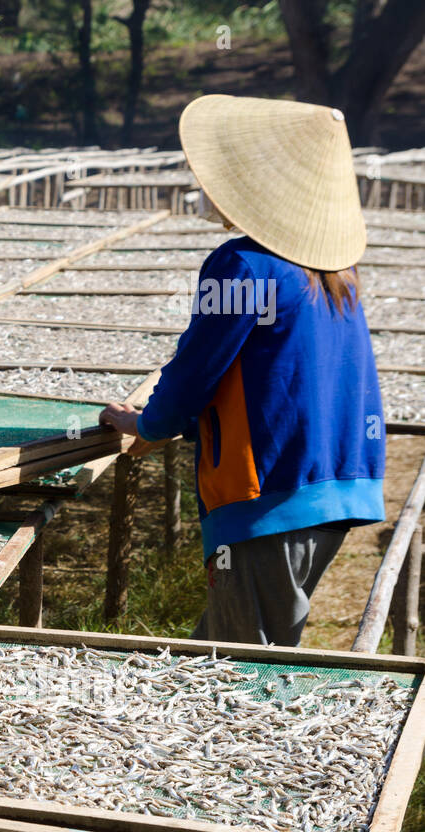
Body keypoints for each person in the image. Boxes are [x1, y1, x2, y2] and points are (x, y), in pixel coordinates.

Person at [100, 95, 385, 647]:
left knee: (241, 660)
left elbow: (196, 371)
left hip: (270, 491)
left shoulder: (242, 265)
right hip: (339, 482)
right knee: (235, 640)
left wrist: (148, 426)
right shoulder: (336, 270)